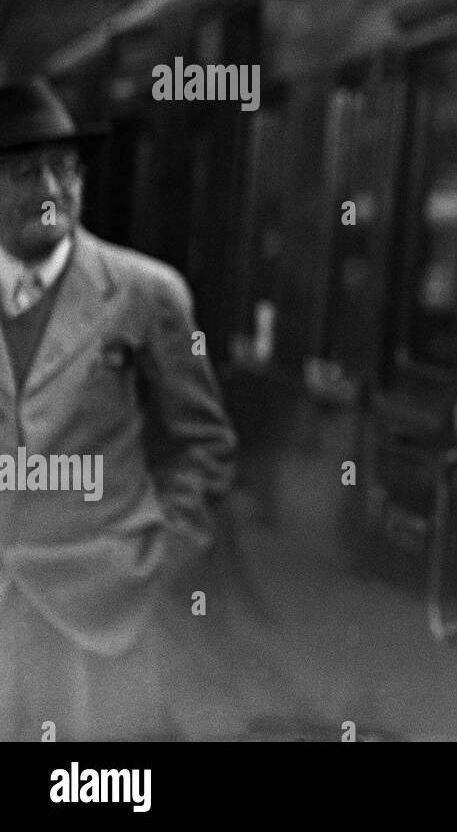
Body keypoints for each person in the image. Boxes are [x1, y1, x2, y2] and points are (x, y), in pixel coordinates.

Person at [0, 76, 237, 739]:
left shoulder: (146, 294)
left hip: (101, 618)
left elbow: (205, 445)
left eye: (63, 168)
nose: (49, 190)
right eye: (24, 170)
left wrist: (152, 559)